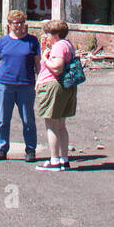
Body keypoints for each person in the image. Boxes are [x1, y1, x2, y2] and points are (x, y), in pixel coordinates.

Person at [0, 9, 40, 161]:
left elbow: (38, 62)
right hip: (4, 84)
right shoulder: (3, 41)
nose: (18, 26)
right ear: (9, 25)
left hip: (26, 85)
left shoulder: (32, 41)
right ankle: (2, 148)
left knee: (28, 119)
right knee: (3, 119)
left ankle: (30, 150)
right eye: (15, 23)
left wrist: (40, 80)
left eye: (21, 23)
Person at [35, 20, 77, 171]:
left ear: (56, 34)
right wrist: (44, 49)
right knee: (61, 125)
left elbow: (57, 67)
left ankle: (54, 161)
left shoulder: (59, 46)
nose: (45, 36)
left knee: (51, 124)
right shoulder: (67, 44)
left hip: (54, 86)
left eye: (48, 33)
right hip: (65, 87)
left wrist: (45, 59)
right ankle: (64, 159)